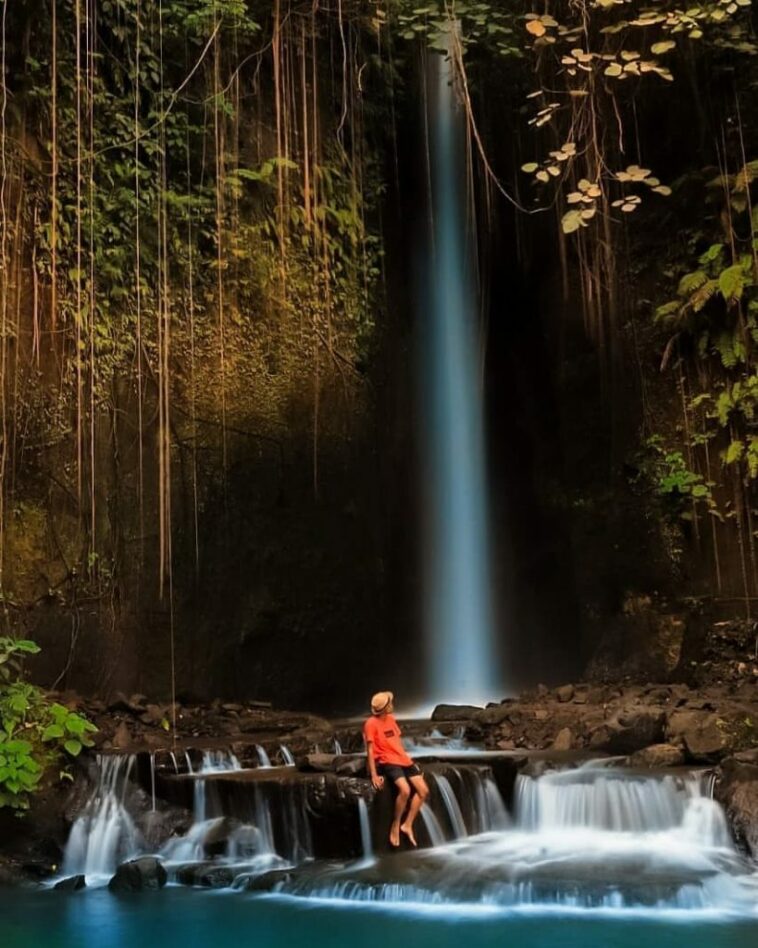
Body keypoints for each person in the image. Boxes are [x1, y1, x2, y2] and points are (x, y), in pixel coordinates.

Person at [363, 690, 430, 847]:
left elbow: (396, 743)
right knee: (405, 790)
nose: (392, 704)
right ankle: (396, 823)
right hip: (387, 761)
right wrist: (374, 774)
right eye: (389, 703)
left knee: (423, 791)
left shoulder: (391, 719)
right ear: (384, 707)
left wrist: (410, 762)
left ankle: (407, 825)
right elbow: (370, 750)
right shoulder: (370, 724)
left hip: (403, 760)